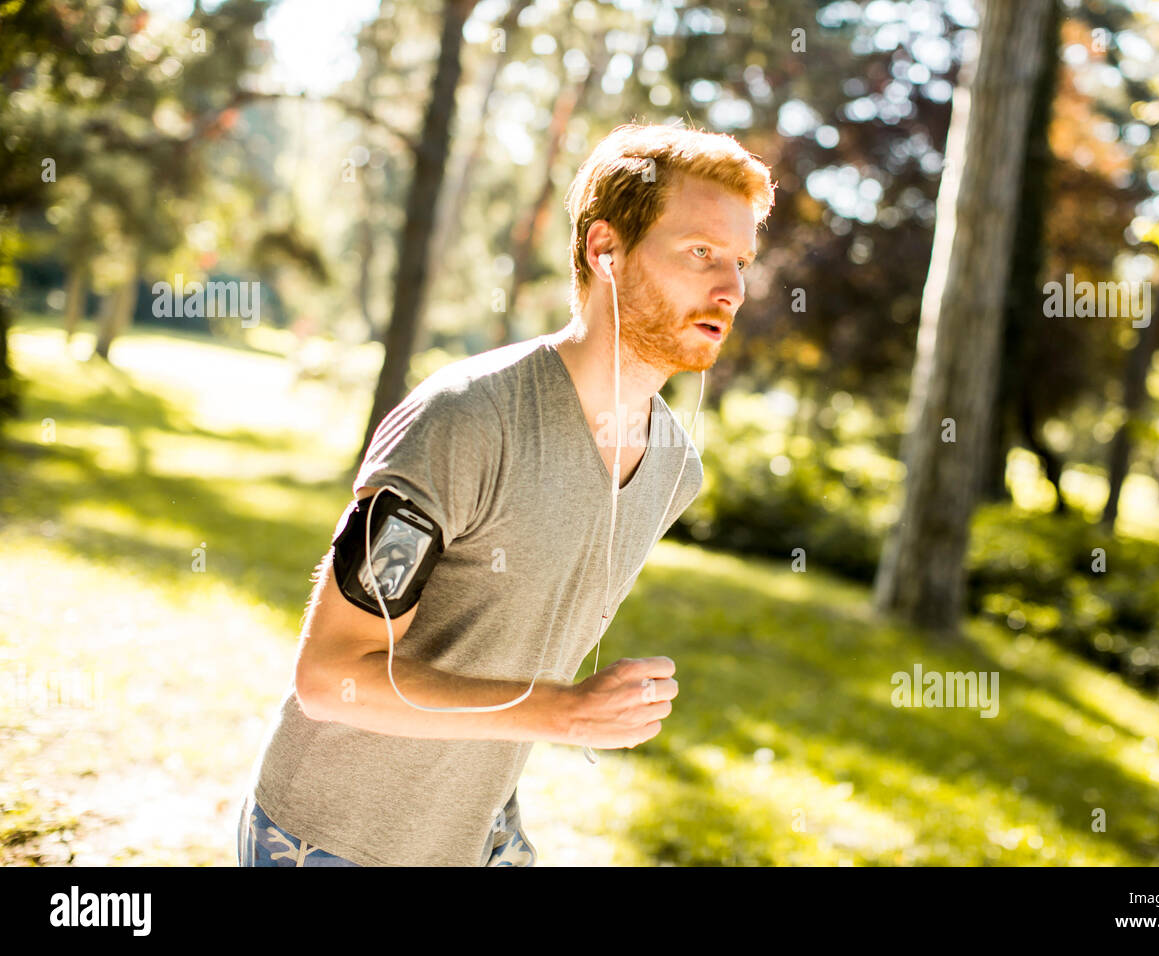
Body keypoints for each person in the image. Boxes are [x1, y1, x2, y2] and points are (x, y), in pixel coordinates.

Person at [237, 122, 776, 866]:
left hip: (473, 832)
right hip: (331, 839)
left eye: (741, 261)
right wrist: (565, 712)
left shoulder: (674, 468)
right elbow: (330, 678)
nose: (732, 288)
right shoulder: (465, 419)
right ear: (605, 250)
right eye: (700, 253)